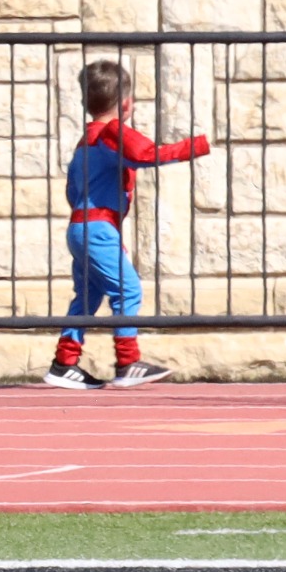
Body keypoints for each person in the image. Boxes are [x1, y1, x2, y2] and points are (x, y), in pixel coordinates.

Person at [47, 61, 211, 391]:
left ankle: (64, 363)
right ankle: (127, 362)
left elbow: (71, 190)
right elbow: (145, 154)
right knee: (128, 289)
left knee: (88, 297)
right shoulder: (110, 134)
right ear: (126, 104)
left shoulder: (85, 142)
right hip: (97, 226)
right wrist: (197, 146)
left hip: (80, 226)